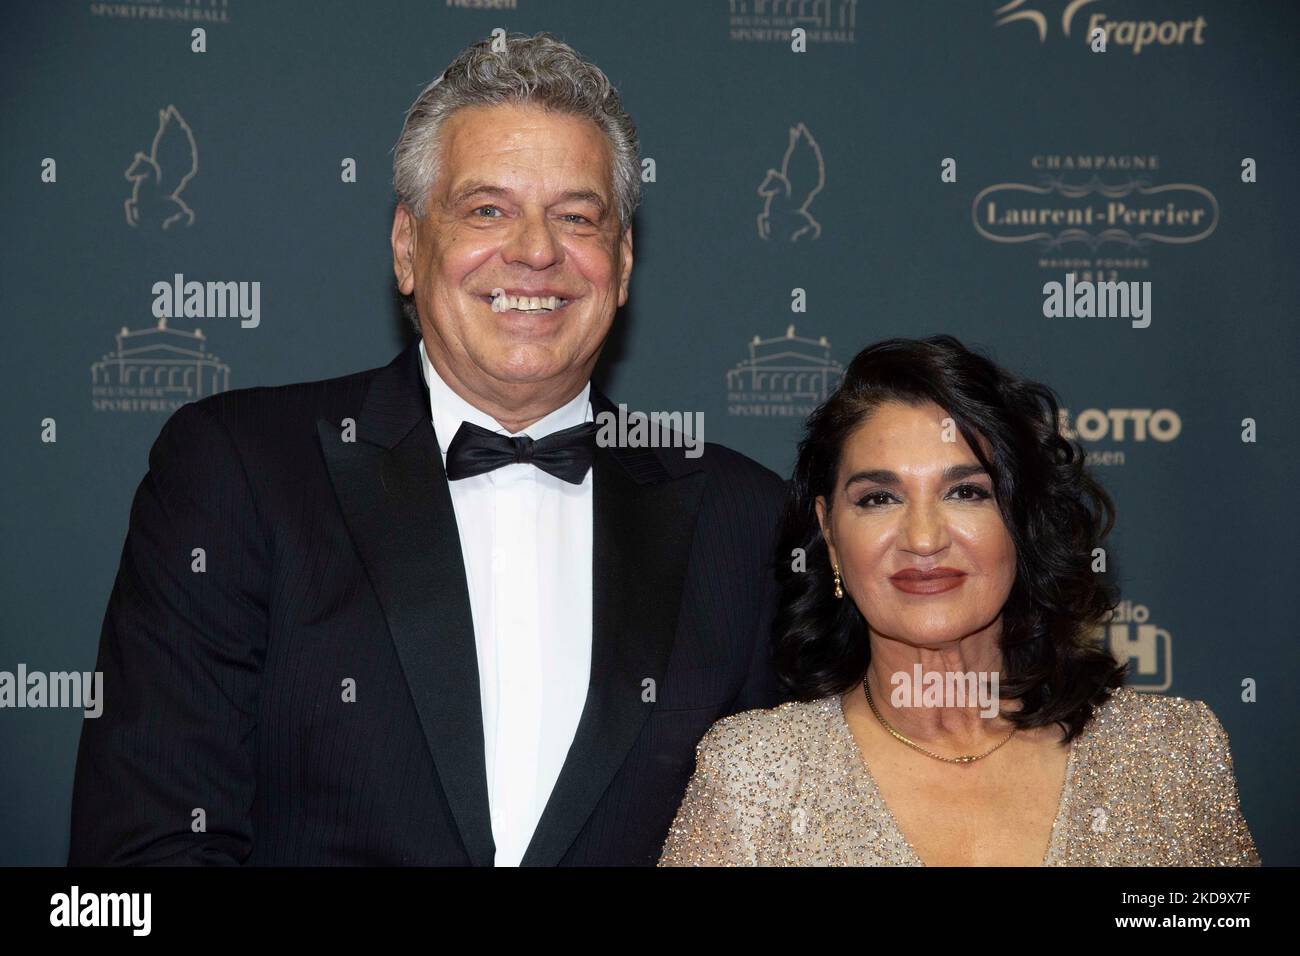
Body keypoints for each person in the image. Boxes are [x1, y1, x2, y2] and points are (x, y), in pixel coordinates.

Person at [69, 32, 789, 867]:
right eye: (488, 209)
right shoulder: (238, 472)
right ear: (408, 247)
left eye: (577, 216)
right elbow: (146, 852)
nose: (535, 250)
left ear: (622, 265)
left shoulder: (744, 521)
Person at [660, 335, 1260, 866]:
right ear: (831, 536)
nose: (923, 538)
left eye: (966, 492)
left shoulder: (1168, 756)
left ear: (1022, 523)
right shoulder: (755, 775)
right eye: (878, 499)